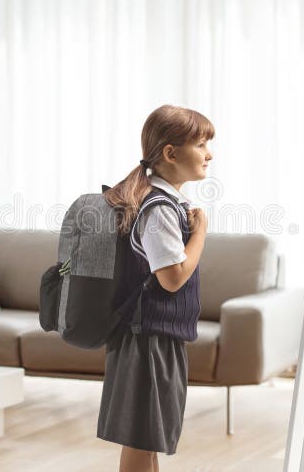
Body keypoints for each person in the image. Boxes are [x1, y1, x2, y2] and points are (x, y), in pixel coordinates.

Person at [98, 104, 214, 472]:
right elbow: (173, 277)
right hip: (147, 337)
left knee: (149, 439)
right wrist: (201, 234)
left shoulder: (164, 202)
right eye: (201, 144)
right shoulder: (158, 208)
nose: (209, 154)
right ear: (170, 152)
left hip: (154, 335)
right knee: (141, 438)